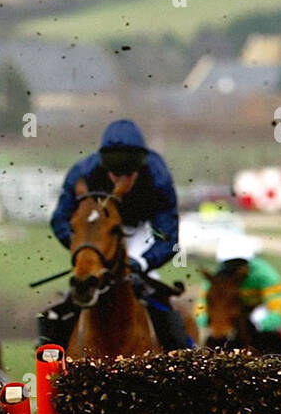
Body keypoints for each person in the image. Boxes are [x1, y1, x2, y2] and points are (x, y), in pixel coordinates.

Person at [39, 119, 193, 350]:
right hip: (96, 236)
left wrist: (142, 261)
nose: (121, 181)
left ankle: (182, 352)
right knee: (70, 300)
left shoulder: (157, 176)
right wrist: (86, 251)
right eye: (115, 174)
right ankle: (49, 362)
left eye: (129, 174)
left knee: (155, 296)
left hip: (141, 234)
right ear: (105, 168)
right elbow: (60, 219)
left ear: (139, 168)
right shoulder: (82, 174)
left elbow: (168, 238)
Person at [196, 234, 281, 352]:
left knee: (270, 334)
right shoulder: (217, 278)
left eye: (239, 263)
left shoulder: (266, 275)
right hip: (232, 315)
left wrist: (265, 323)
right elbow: (201, 307)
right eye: (230, 264)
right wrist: (207, 321)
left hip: (257, 310)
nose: (235, 268)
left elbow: (279, 309)